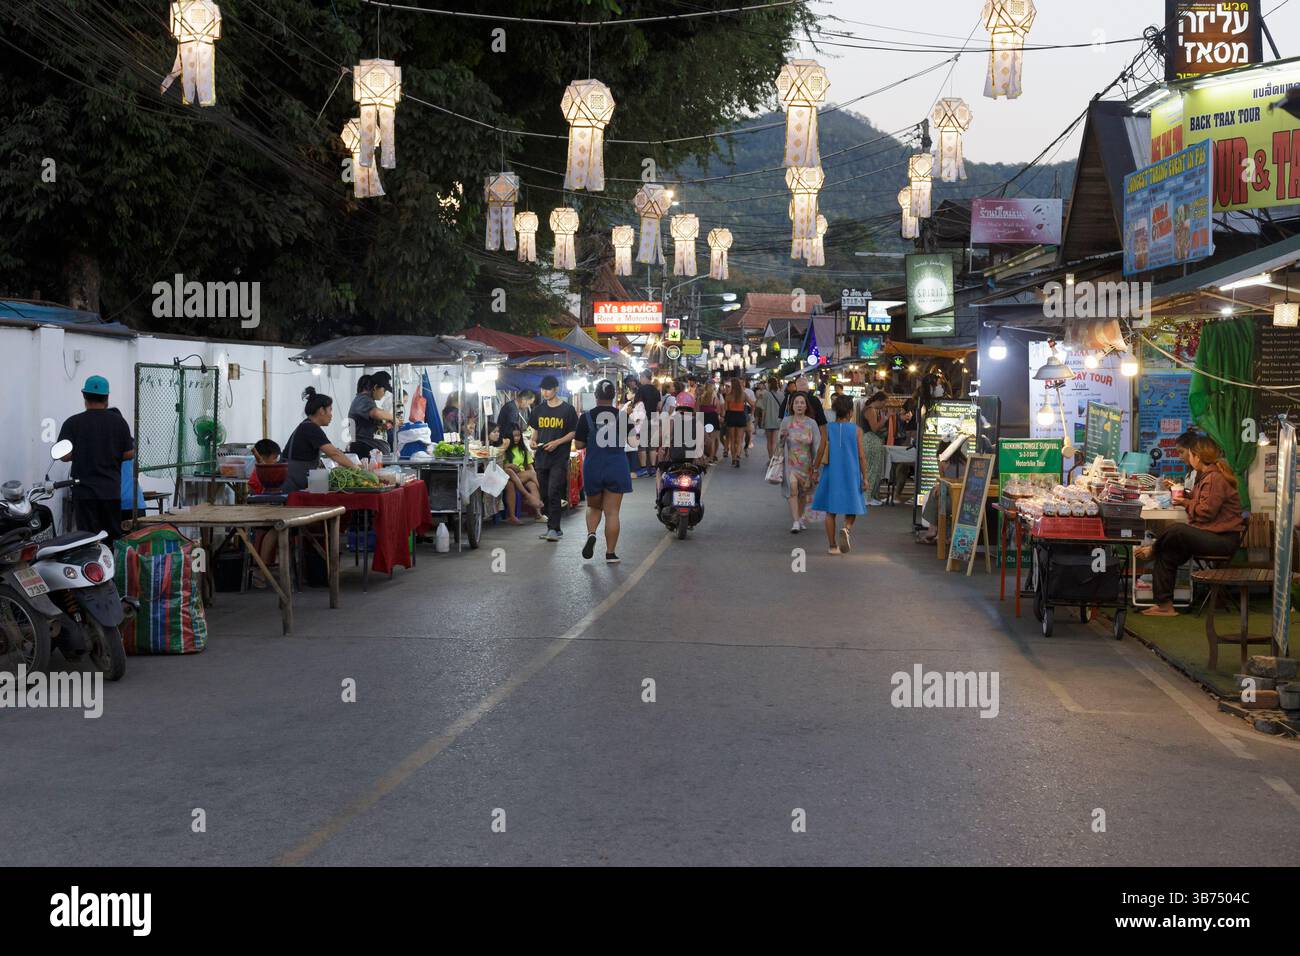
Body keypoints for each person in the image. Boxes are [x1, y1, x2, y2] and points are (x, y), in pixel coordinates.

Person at [1136, 436, 1244, 617]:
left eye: (1190, 454)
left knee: (1177, 529)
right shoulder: (1206, 477)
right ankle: (1165, 606)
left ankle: (1153, 548)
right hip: (1210, 534)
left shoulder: (1214, 479)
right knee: (1167, 553)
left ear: (1198, 457)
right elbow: (1200, 502)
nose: (1187, 458)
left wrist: (1185, 502)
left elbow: (1205, 512)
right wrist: (1183, 496)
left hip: (1222, 540)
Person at [57, 375, 135, 543]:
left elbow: (63, 455)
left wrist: (83, 453)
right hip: (110, 492)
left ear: (84, 397)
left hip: (84, 493)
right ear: (107, 398)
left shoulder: (72, 423)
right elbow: (130, 453)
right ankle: (111, 568)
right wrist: (110, 453)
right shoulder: (119, 423)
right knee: (112, 538)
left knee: (86, 539)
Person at [575, 380, 633, 563]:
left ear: (595, 396)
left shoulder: (585, 417)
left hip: (593, 466)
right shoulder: (622, 417)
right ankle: (610, 553)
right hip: (616, 466)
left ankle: (592, 534)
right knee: (612, 512)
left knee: (593, 507)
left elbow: (578, 445)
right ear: (613, 396)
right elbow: (632, 442)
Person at [810, 393, 868, 554]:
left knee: (830, 511)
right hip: (852, 473)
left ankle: (832, 546)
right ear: (850, 412)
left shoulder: (828, 428)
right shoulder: (856, 430)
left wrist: (815, 470)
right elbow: (861, 456)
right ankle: (846, 528)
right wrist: (865, 477)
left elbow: (821, 450)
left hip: (831, 473)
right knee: (853, 508)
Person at [528, 375, 578, 542]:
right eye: (543, 389)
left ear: (556, 389)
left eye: (548, 389)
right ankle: (553, 527)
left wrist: (557, 442)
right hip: (541, 458)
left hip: (559, 458)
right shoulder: (538, 410)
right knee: (544, 494)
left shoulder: (568, 410)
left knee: (554, 491)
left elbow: (573, 432)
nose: (545, 392)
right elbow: (535, 432)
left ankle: (553, 529)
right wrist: (533, 442)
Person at [283, 388, 355, 491]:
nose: (331, 415)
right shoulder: (310, 428)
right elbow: (334, 453)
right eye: (330, 410)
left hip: (300, 480)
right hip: (293, 484)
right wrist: (355, 468)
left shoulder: (309, 426)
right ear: (321, 411)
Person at [779, 393, 820, 533]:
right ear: (792, 405)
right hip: (790, 463)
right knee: (793, 488)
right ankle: (796, 521)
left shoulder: (811, 423)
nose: (799, 405)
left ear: (806, 405)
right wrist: (782, 438)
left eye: (802, 403)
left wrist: (817, 467)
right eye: (796, 403)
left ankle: (800, 517)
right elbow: (779, 445)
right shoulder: (786, 421)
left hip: (807, 464)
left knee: (804, 494)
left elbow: (817, 445)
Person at [917, 435, 968, 545]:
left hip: (952, 500)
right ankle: (938, 533)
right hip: (964, 499)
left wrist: (940, 486)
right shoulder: (966, 462)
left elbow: (942, 481)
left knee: (937, 496)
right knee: (936, 494)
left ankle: (933, 530)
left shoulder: (943, 463)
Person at [348, 371, 398, 458]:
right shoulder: (363, 399)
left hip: (371, 450)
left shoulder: (368, 401)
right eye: (384, 390)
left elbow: (371, 426)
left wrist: (386, 425)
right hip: (365, 449)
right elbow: (376, 413)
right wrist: (393, 417)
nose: (384, 393)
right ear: (375, 387)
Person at [500, 426, 544, 524]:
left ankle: (538, 514)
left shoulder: (523, 449)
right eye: (514, 436)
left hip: (521, 476)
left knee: (532, 482)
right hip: (507, 477)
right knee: (511, 483)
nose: (517, 438)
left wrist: (532, 476)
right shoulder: (504, 449)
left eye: (518, 435)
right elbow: (500, 466)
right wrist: (510, 465)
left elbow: (529, 466)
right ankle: (543, 496)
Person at [859, 391, 889, 507]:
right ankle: (867, 497)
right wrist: (885, 418)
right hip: (870, 440)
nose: (885, 405)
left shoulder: (870, 409)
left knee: (874, 469)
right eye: (884, 402)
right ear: (879, 401)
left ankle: (870, 496)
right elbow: (875, 428)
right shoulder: (870, 410)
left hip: (869, 440)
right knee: (872, 469)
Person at [634, 370, 661, 477]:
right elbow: (659, 406)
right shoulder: (656, 390)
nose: (640, 379)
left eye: (641, 377)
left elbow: (637, 404)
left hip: (643, 419)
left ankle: (643, 468)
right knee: (653, 445)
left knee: (642, 445)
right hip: (654, 418)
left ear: (645, 377)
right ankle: (653, 468)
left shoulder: (641, 389)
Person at [723, 377, 750, 467]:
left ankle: (733, 458)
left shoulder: (728, 395)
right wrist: (751, 413)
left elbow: (726, 409)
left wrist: (724, 418)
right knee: (739, 439)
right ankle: (738, 455)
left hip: (731, 416)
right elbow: (753, 404)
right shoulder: (743, 394)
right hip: (740, 416)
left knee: (732, 439)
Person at [757, 376, 783, 459]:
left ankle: (770, 458)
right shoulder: (781, 394)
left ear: (769, 384)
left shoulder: (766, 394)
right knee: (775, 441)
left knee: (769, 441)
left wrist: (762, 421)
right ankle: (774, 459)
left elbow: (763, 409)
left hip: (768, 421)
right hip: (778, 421)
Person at [699, 381, 721, 463]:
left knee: (703, 438)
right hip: (712, 417)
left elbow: (698, 409)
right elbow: (718, 410)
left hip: (703, 418)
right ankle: (711, 457)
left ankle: (703, 456)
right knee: (712, 439)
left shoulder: (701, 396)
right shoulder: (715, 397)